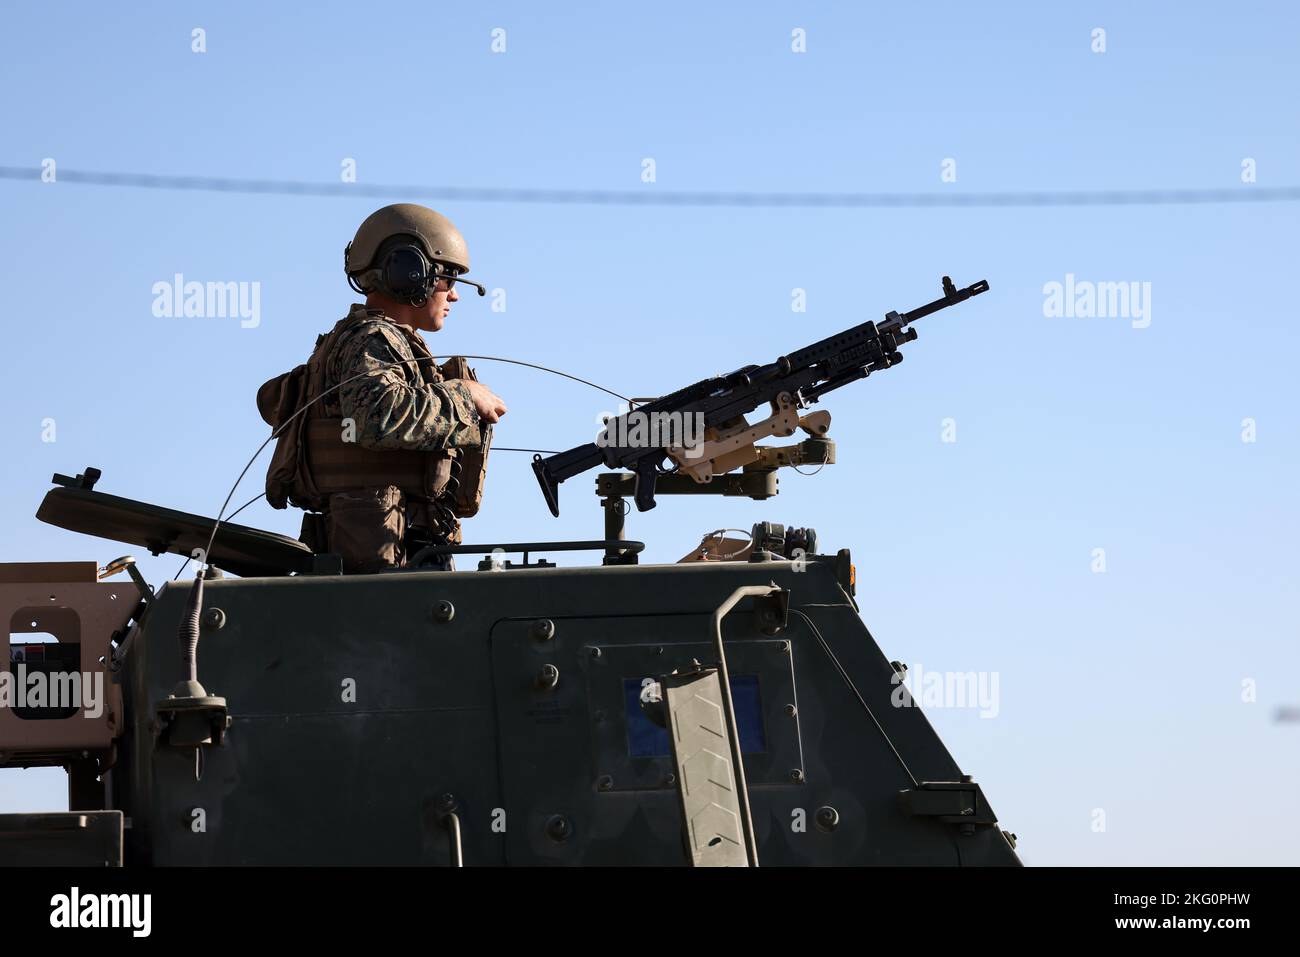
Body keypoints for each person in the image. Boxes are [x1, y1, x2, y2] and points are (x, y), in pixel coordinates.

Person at [267, 203, 507, 573]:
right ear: (411, 273)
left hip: (388, 545)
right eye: (449, 279)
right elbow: (377, 415)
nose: (454, 295)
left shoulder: (379, 340)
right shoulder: (373, 339)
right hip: (377, 552)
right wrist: (464, 396)